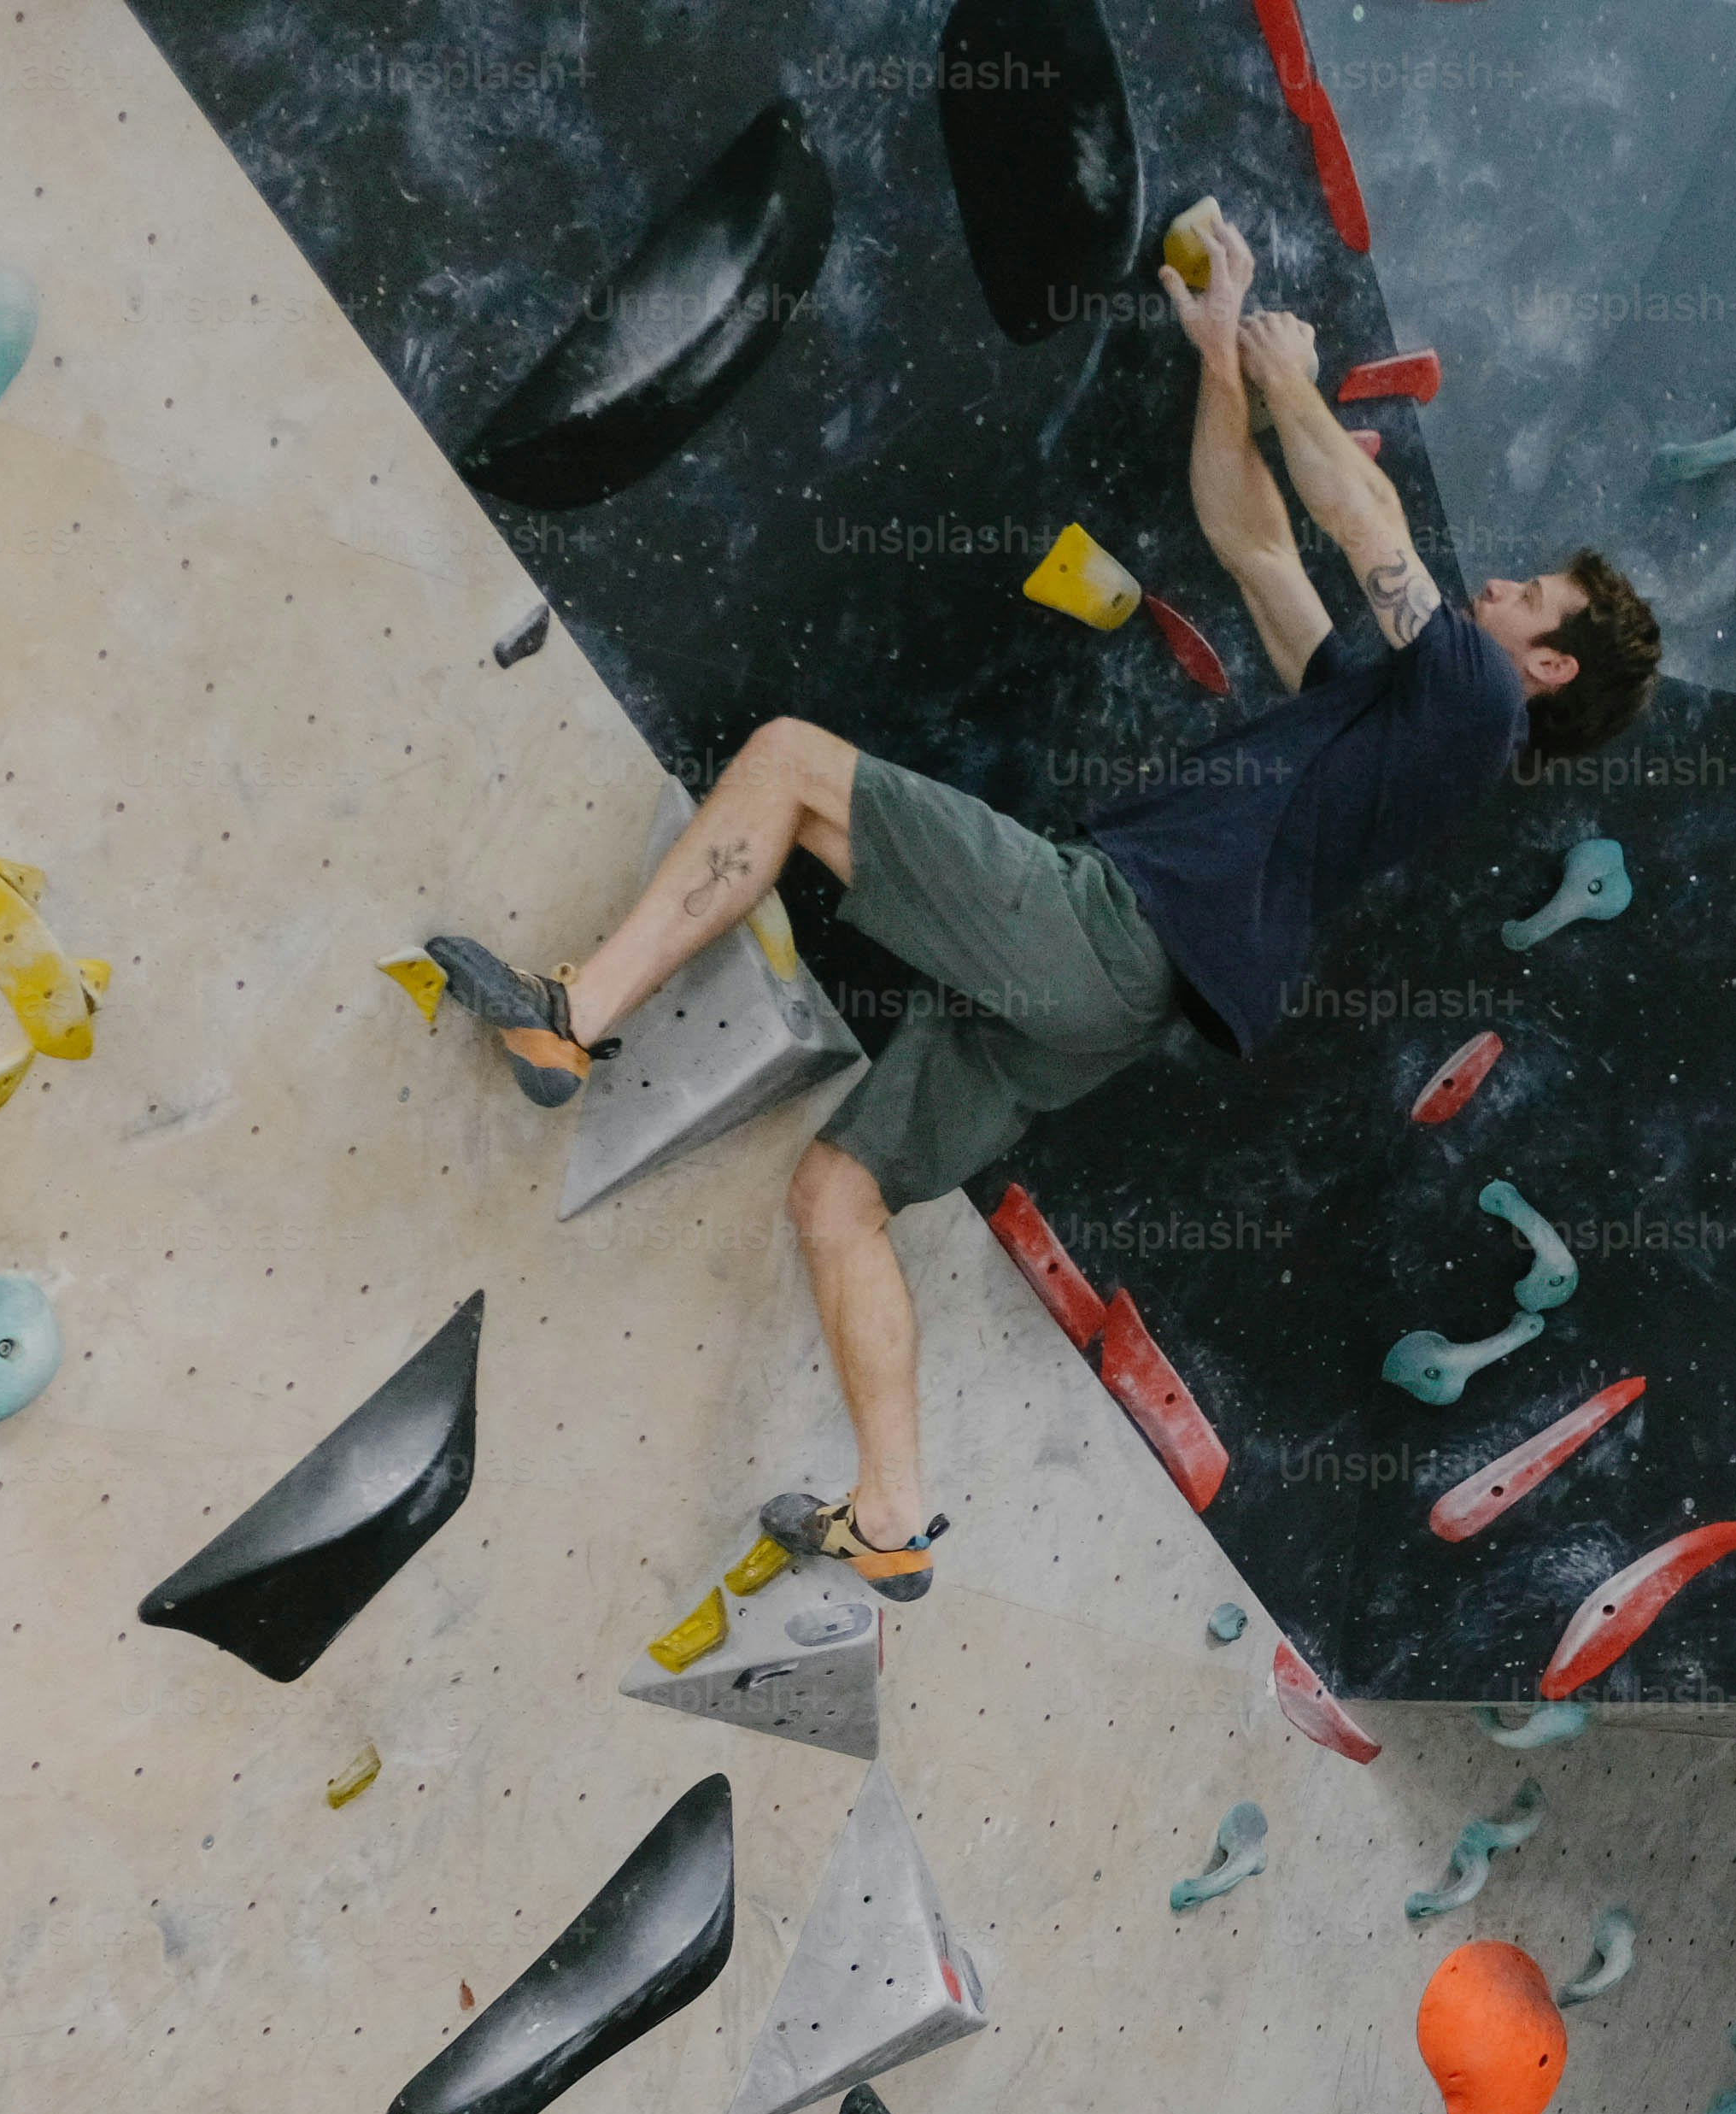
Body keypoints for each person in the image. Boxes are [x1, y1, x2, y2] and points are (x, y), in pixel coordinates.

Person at [413, 207, 1660, 1600]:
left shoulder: (1478, 696)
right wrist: (1216, 365)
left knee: (787, 763)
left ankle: (571, 1017)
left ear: (1548, 668)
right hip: (1105, 1012)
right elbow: (1254, 544)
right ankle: (890, 1513)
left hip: (1110, 927)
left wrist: (1286, 363)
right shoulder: (1401, 722)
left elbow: (1360, 519)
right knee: (839, 1196)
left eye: (1529, 594)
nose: (1500, 584)